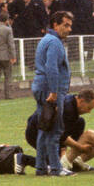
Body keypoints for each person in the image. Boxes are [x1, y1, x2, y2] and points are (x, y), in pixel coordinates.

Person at [31, 11, 74, 177]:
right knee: (55, 129)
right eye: (66, 25)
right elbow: (52, 68)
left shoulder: (46, 40)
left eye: (70, 25)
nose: (69, 29)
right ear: (55, 24)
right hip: (51, 90)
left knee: (44, 127)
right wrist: (54, 92)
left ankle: (41, 167)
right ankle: (56, 168)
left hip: (41, 87)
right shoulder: (55, 42)